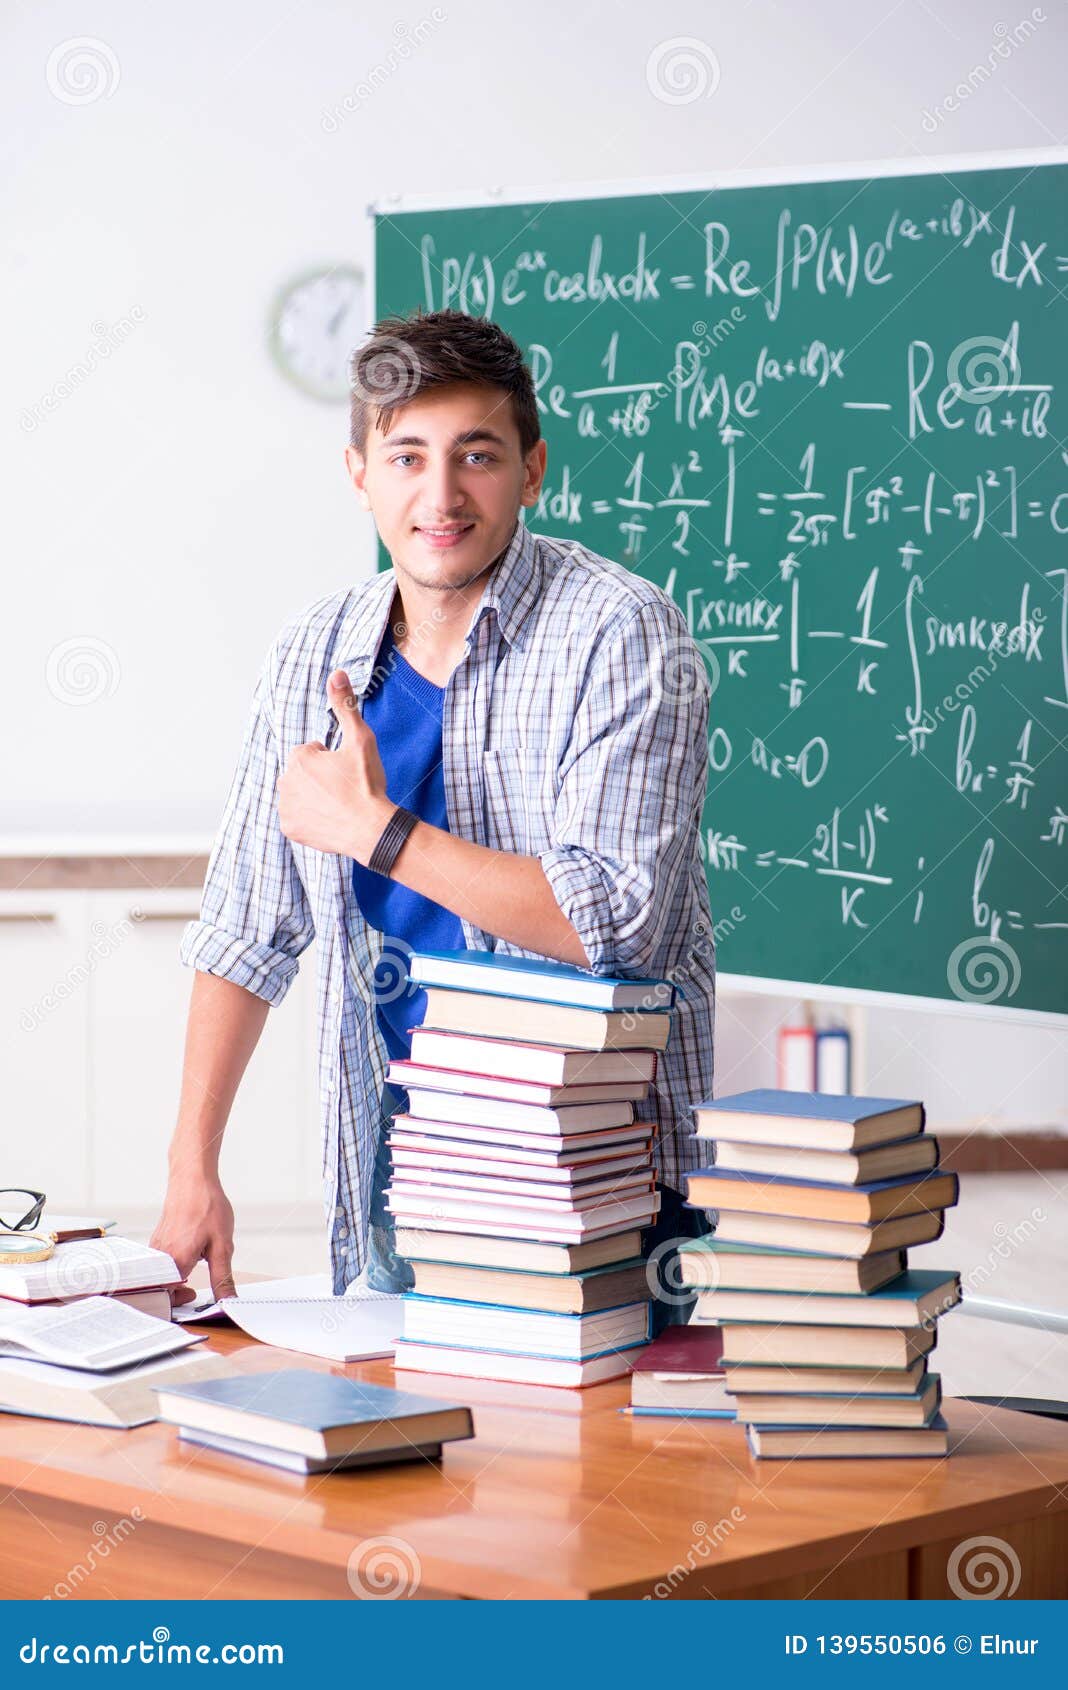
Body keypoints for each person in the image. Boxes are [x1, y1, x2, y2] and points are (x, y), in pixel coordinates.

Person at [150, 307, 715, 1325]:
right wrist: (193, 1167)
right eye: (406, 456)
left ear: (532, 470)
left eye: (477, 456)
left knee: (591, 1478)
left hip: (588, 1166)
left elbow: (611, 924)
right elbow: (245, 928)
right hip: (395, 1155)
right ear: (359, 473)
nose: (440, 495)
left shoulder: (623, 631)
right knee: (412, 1471)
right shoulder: (311, 649)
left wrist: (380, 831)